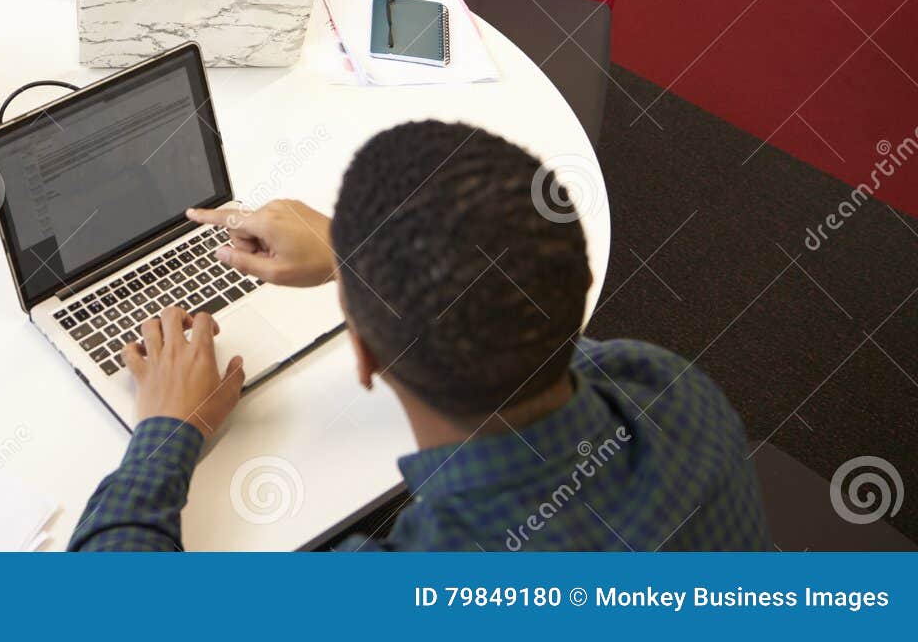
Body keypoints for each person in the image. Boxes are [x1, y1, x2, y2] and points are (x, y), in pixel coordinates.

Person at [69, 121, 769, 551]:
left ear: (365, 357)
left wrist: (165, 430)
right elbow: (506, 309)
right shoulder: (672, 387)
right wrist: (358, 254)